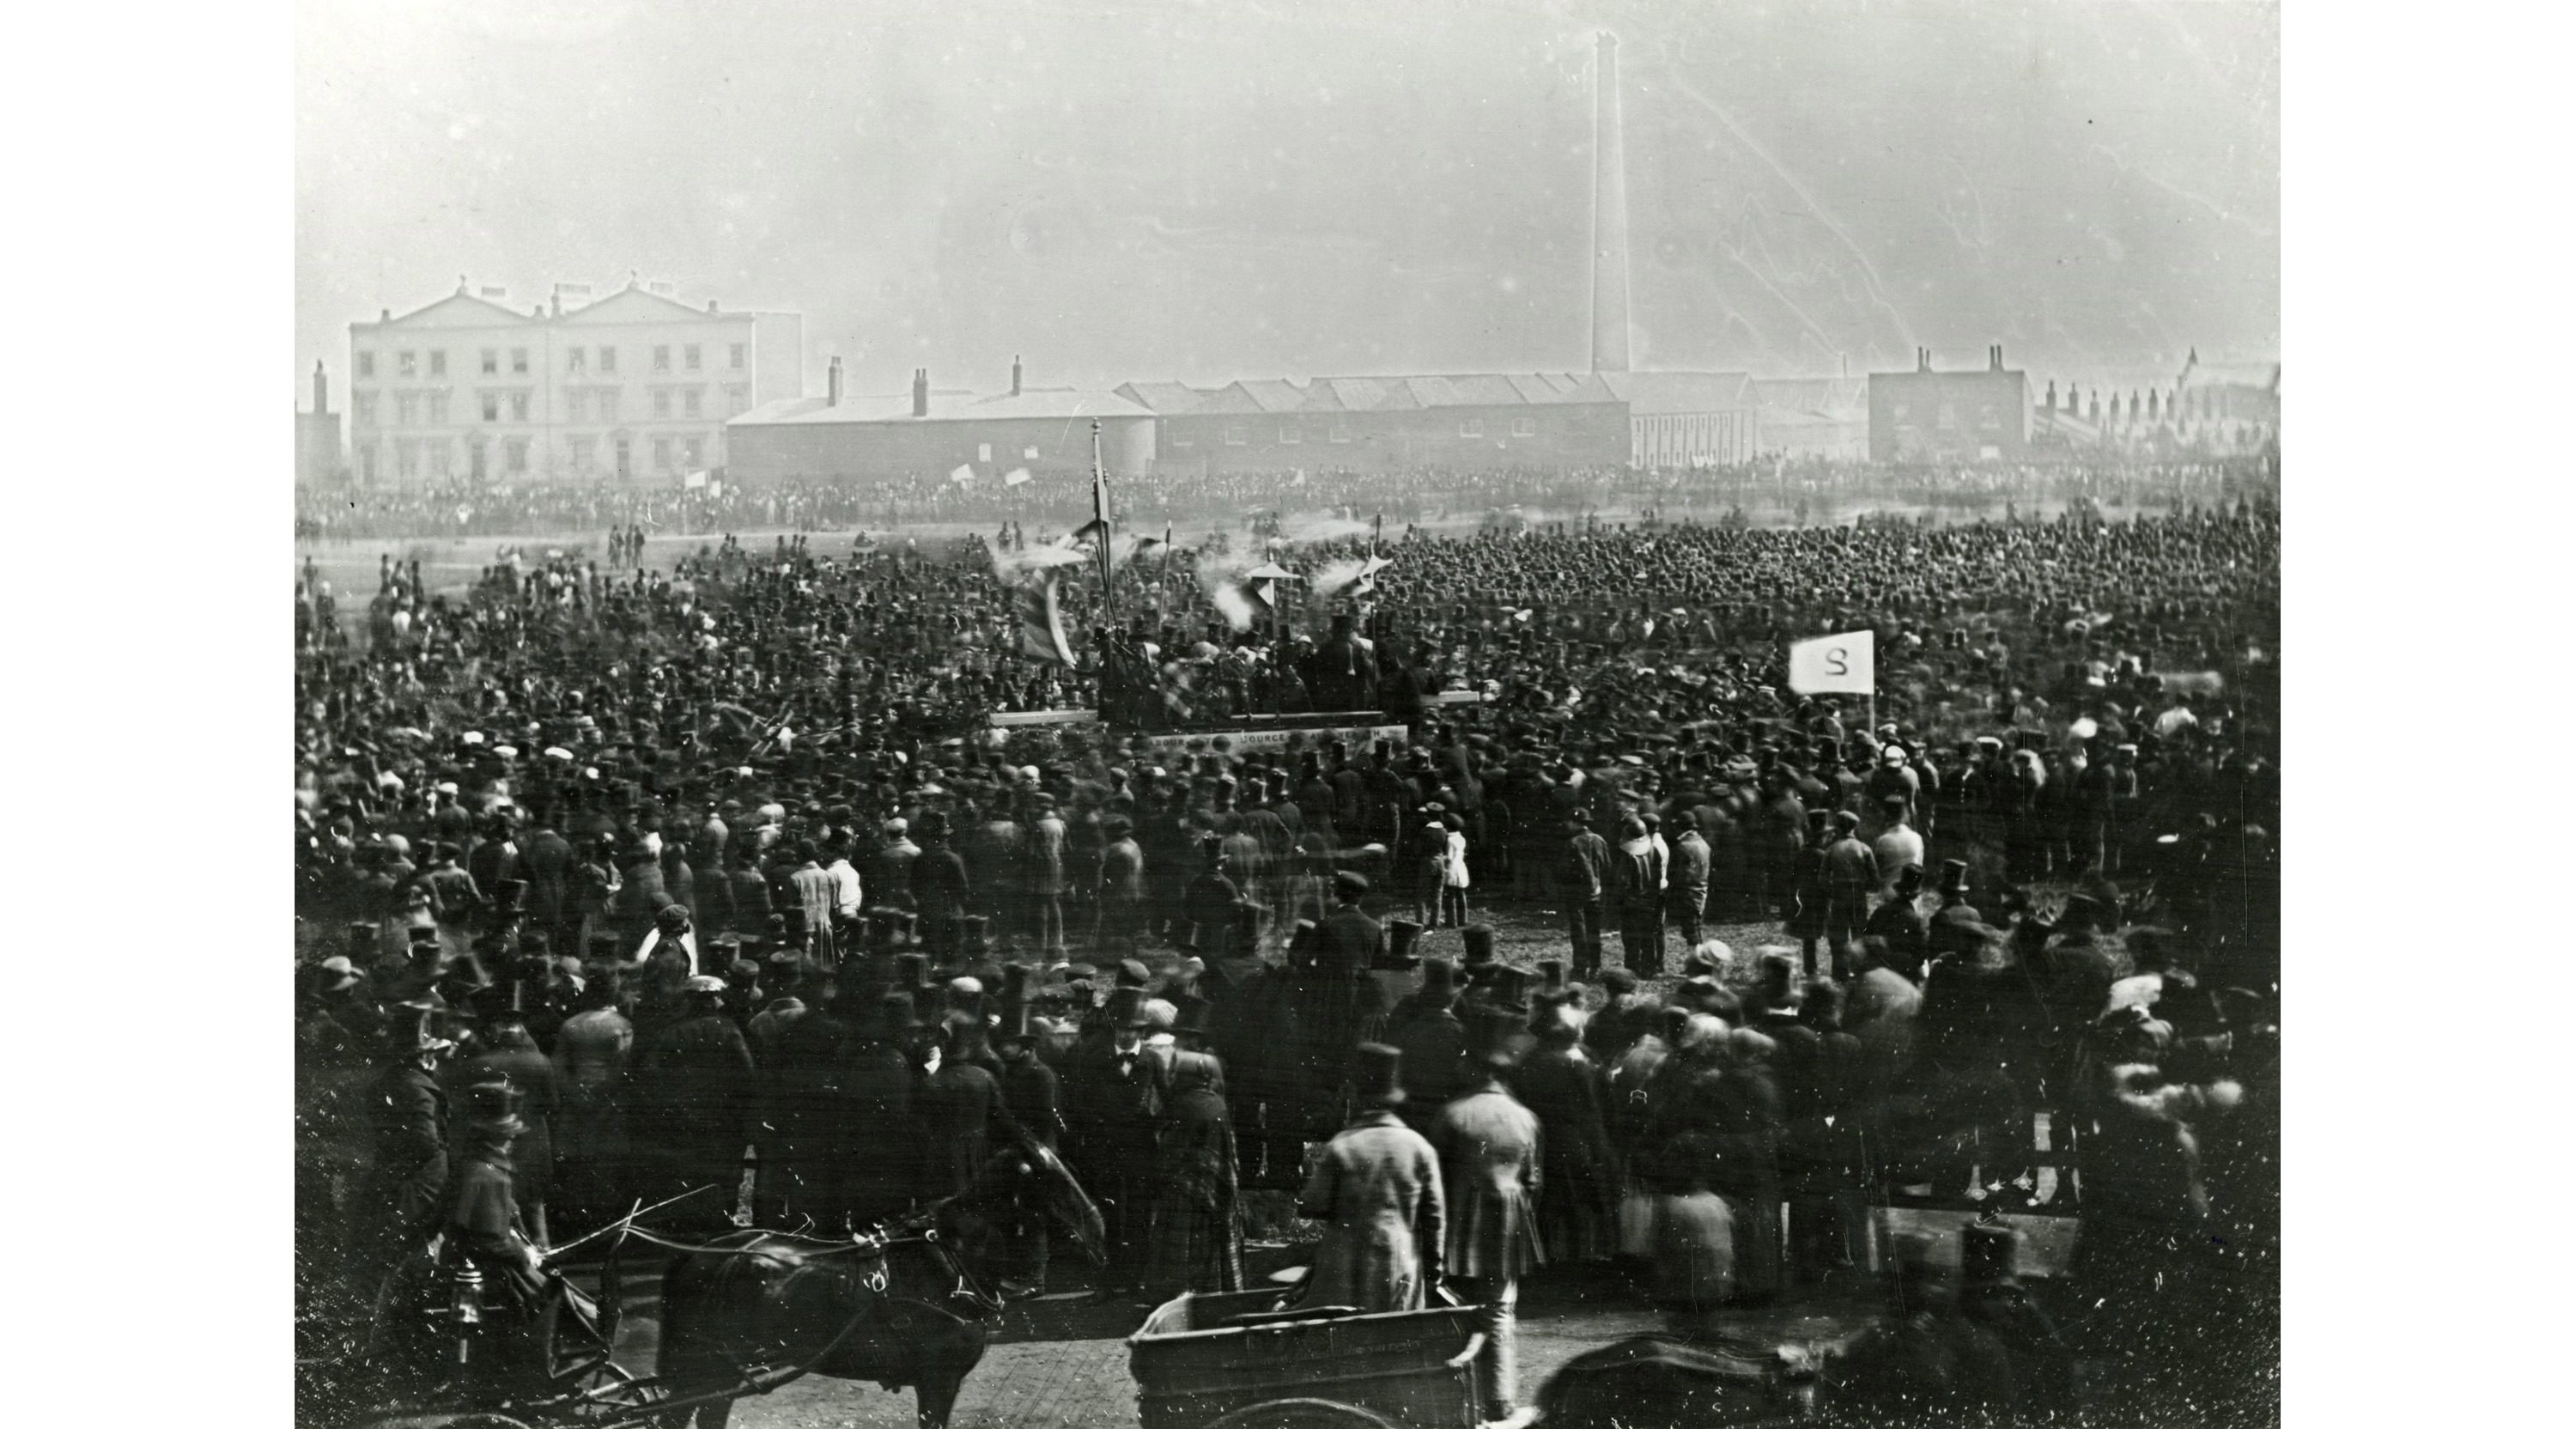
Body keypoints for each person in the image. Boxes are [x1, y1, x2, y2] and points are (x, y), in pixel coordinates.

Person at [1430, 1023, 1545, 1420]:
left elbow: (1435, 1175)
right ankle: (1500, 1399)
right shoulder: (1526, 1118)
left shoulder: (1452, 1114)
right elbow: (1532, 1180)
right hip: (1507, 1221)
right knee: (1499, 1309)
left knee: (1451, 1307)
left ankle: (1460, 1400)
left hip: (1459, 1220)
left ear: (1476, 1071)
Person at [1298, 1043, 1445, 1314]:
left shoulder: (1342, 1146)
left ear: (1357, 1097)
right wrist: (1434, 1271)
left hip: (1342, 1269)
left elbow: (1313, 1204)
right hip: (1398, 1265)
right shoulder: (1419, 1147)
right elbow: (1435, 1219)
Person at [1145, 1049, 1245, 1301]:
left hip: (1185, 1190)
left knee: (1181, 1248)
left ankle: (1174, 1296)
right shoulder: (1217, 1103)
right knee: (1212, 1245)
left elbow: (1171, 1147)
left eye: (1176, 1073)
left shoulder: (1182, 1104)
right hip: (1217, 1187)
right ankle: (1215, 1292)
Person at [1612, 814, 1667, 978]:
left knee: (1630, 939)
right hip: (1650, 900)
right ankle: (1649, 969)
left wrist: (1618, 901)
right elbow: (1658, 876)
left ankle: (1632, 969)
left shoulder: (1628, 855)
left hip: (1632, 902)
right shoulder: (1653, 850)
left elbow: (1623, 881)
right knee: (1647, 937)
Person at [1563, 812, 1612, 978]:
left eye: (1569, 821)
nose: (1567, 824)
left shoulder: (1572, 843)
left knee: (1578, 930)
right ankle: (1595, 966)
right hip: (1596, 892)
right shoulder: (1599, 840)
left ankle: (1580, 966)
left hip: (1576, 893)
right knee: (1594, 929)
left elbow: (1565, 871)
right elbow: (1606, 865)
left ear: (1575, 823)